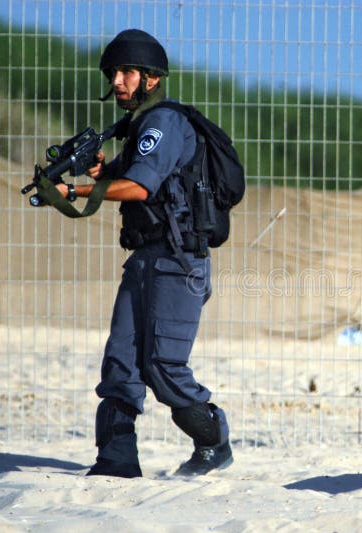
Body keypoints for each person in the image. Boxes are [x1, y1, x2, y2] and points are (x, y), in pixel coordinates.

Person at [54, 29, 233, 478]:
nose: (117, 80)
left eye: (127, 72)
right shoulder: (138, 127)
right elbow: (129, 177)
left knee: (164, 368)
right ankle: (116, 460)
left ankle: (214, 440)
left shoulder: (163, 123)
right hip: (144, 259)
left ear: (151, 78)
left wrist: (76, 187)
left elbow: (139, 186)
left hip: (178, 263)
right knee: (120, 364)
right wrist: (100, 170)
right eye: (113, 72)